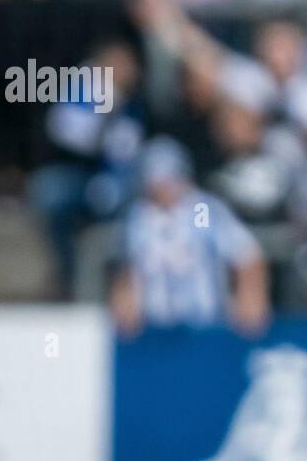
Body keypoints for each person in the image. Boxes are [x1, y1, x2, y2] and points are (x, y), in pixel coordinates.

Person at [111, 135, 269, 336]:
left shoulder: (200, 209)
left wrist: (250, 296)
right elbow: (126, 267)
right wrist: (124, 298)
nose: (163, 188)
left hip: (205, 326)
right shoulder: (138, 216)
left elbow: (246, 253)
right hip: (153, 331)